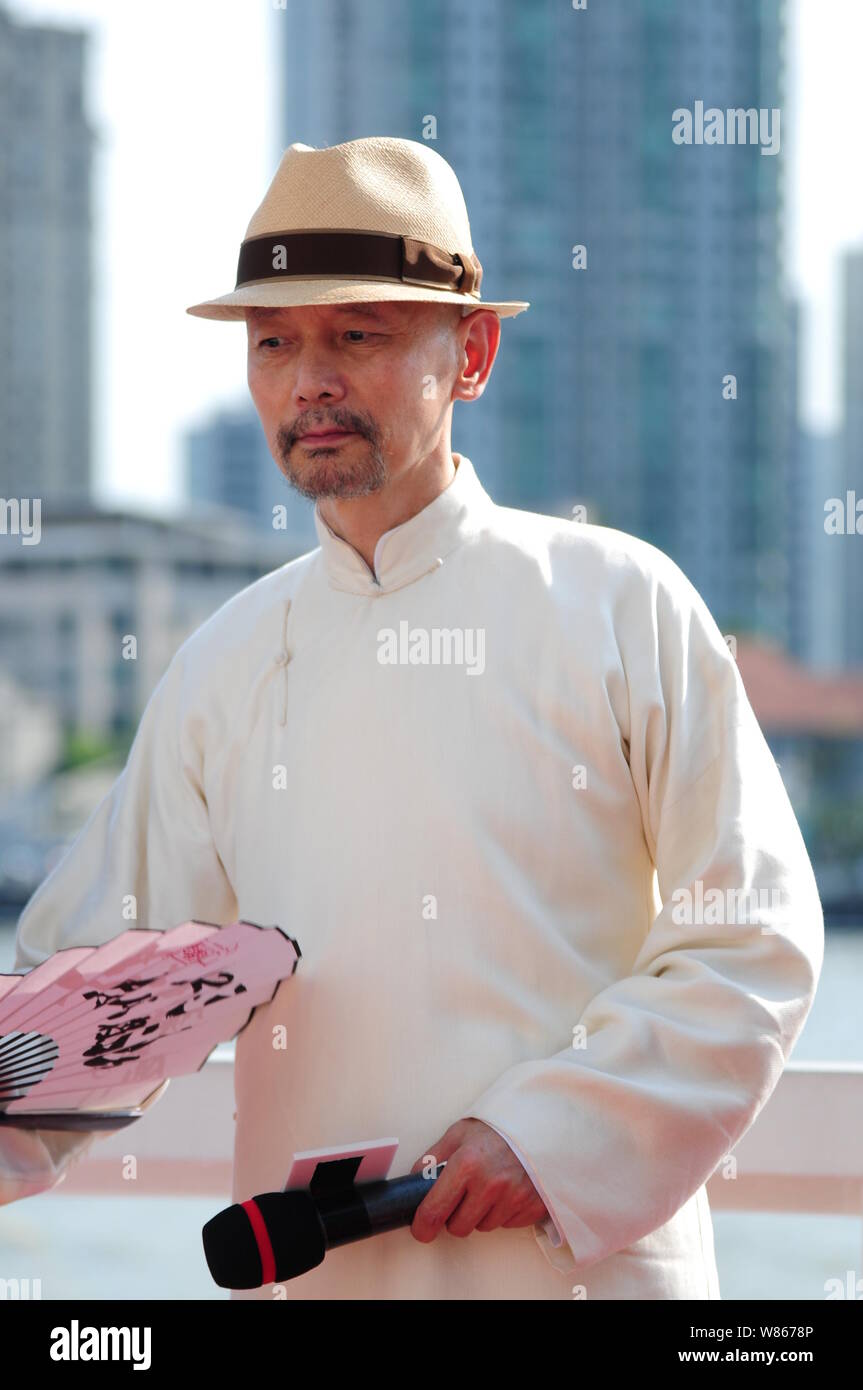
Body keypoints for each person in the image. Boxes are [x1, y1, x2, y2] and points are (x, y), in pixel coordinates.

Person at [3, 137, 823, 1300]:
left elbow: (751, 936)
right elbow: (91, 992)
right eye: (274, 342)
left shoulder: (620, 603)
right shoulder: (224, 663)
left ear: (471, 352)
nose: (307, 381)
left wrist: (552, 1131)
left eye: (359, 335)